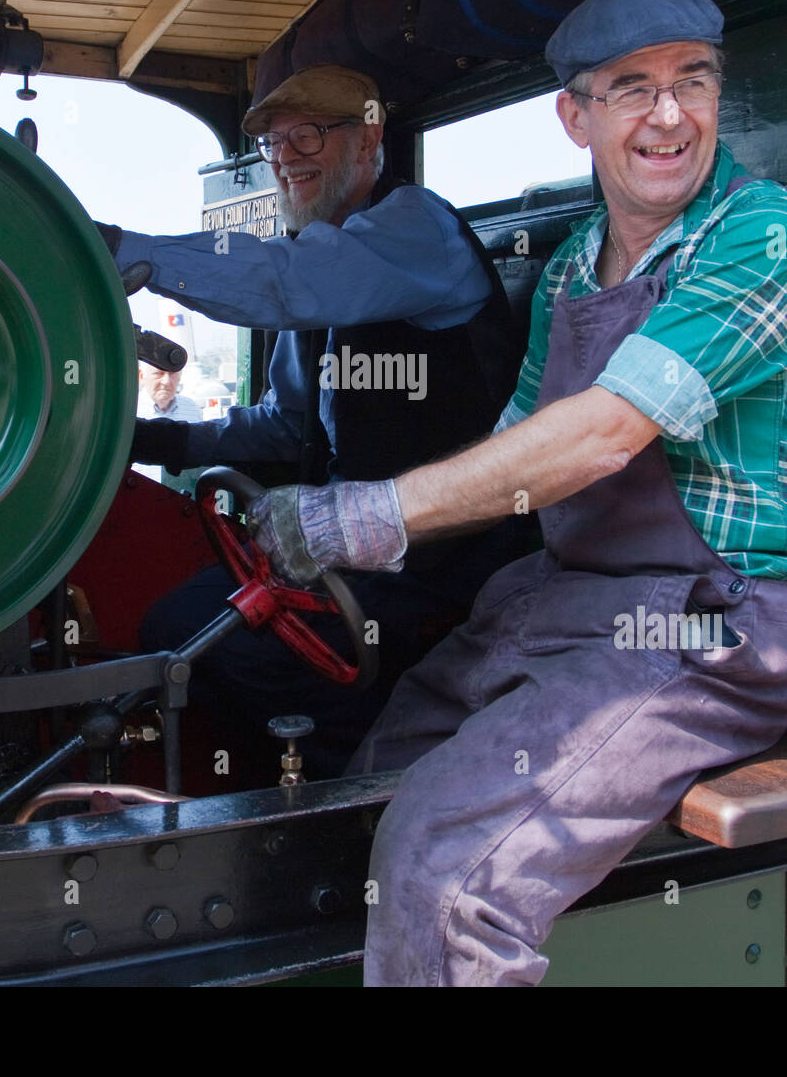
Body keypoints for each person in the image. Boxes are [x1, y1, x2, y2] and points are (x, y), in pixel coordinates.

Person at [247, 0, 787, 985]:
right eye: (630, 89)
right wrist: (380, 537)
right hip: (568, 597)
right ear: (574, 116)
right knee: (372, 774)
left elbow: (605, 431)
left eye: (690, 81)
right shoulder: (576, 263)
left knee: (446, 868)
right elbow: (522, 441)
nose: (667, 115)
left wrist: (369, 512)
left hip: (714, 624)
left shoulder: (767, 237)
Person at [94, 65, 524, 778]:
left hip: (443, 553)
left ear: (370, 137)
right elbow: (286, 428)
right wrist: (151, 438)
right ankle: (266, 785)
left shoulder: (416, 227)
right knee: (171, 622)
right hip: (348, 544)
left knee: (207, 643)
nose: (285, 156)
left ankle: (346, 794)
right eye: (271, 143)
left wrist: (117, 249)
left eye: (308, 135)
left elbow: (282, 280)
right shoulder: (324, 270)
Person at [134, 363, 204, 493]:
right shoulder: (130, 409)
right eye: (158, 374)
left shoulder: (192, 408)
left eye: (173, 374)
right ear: (141, 376)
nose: (166, 381)